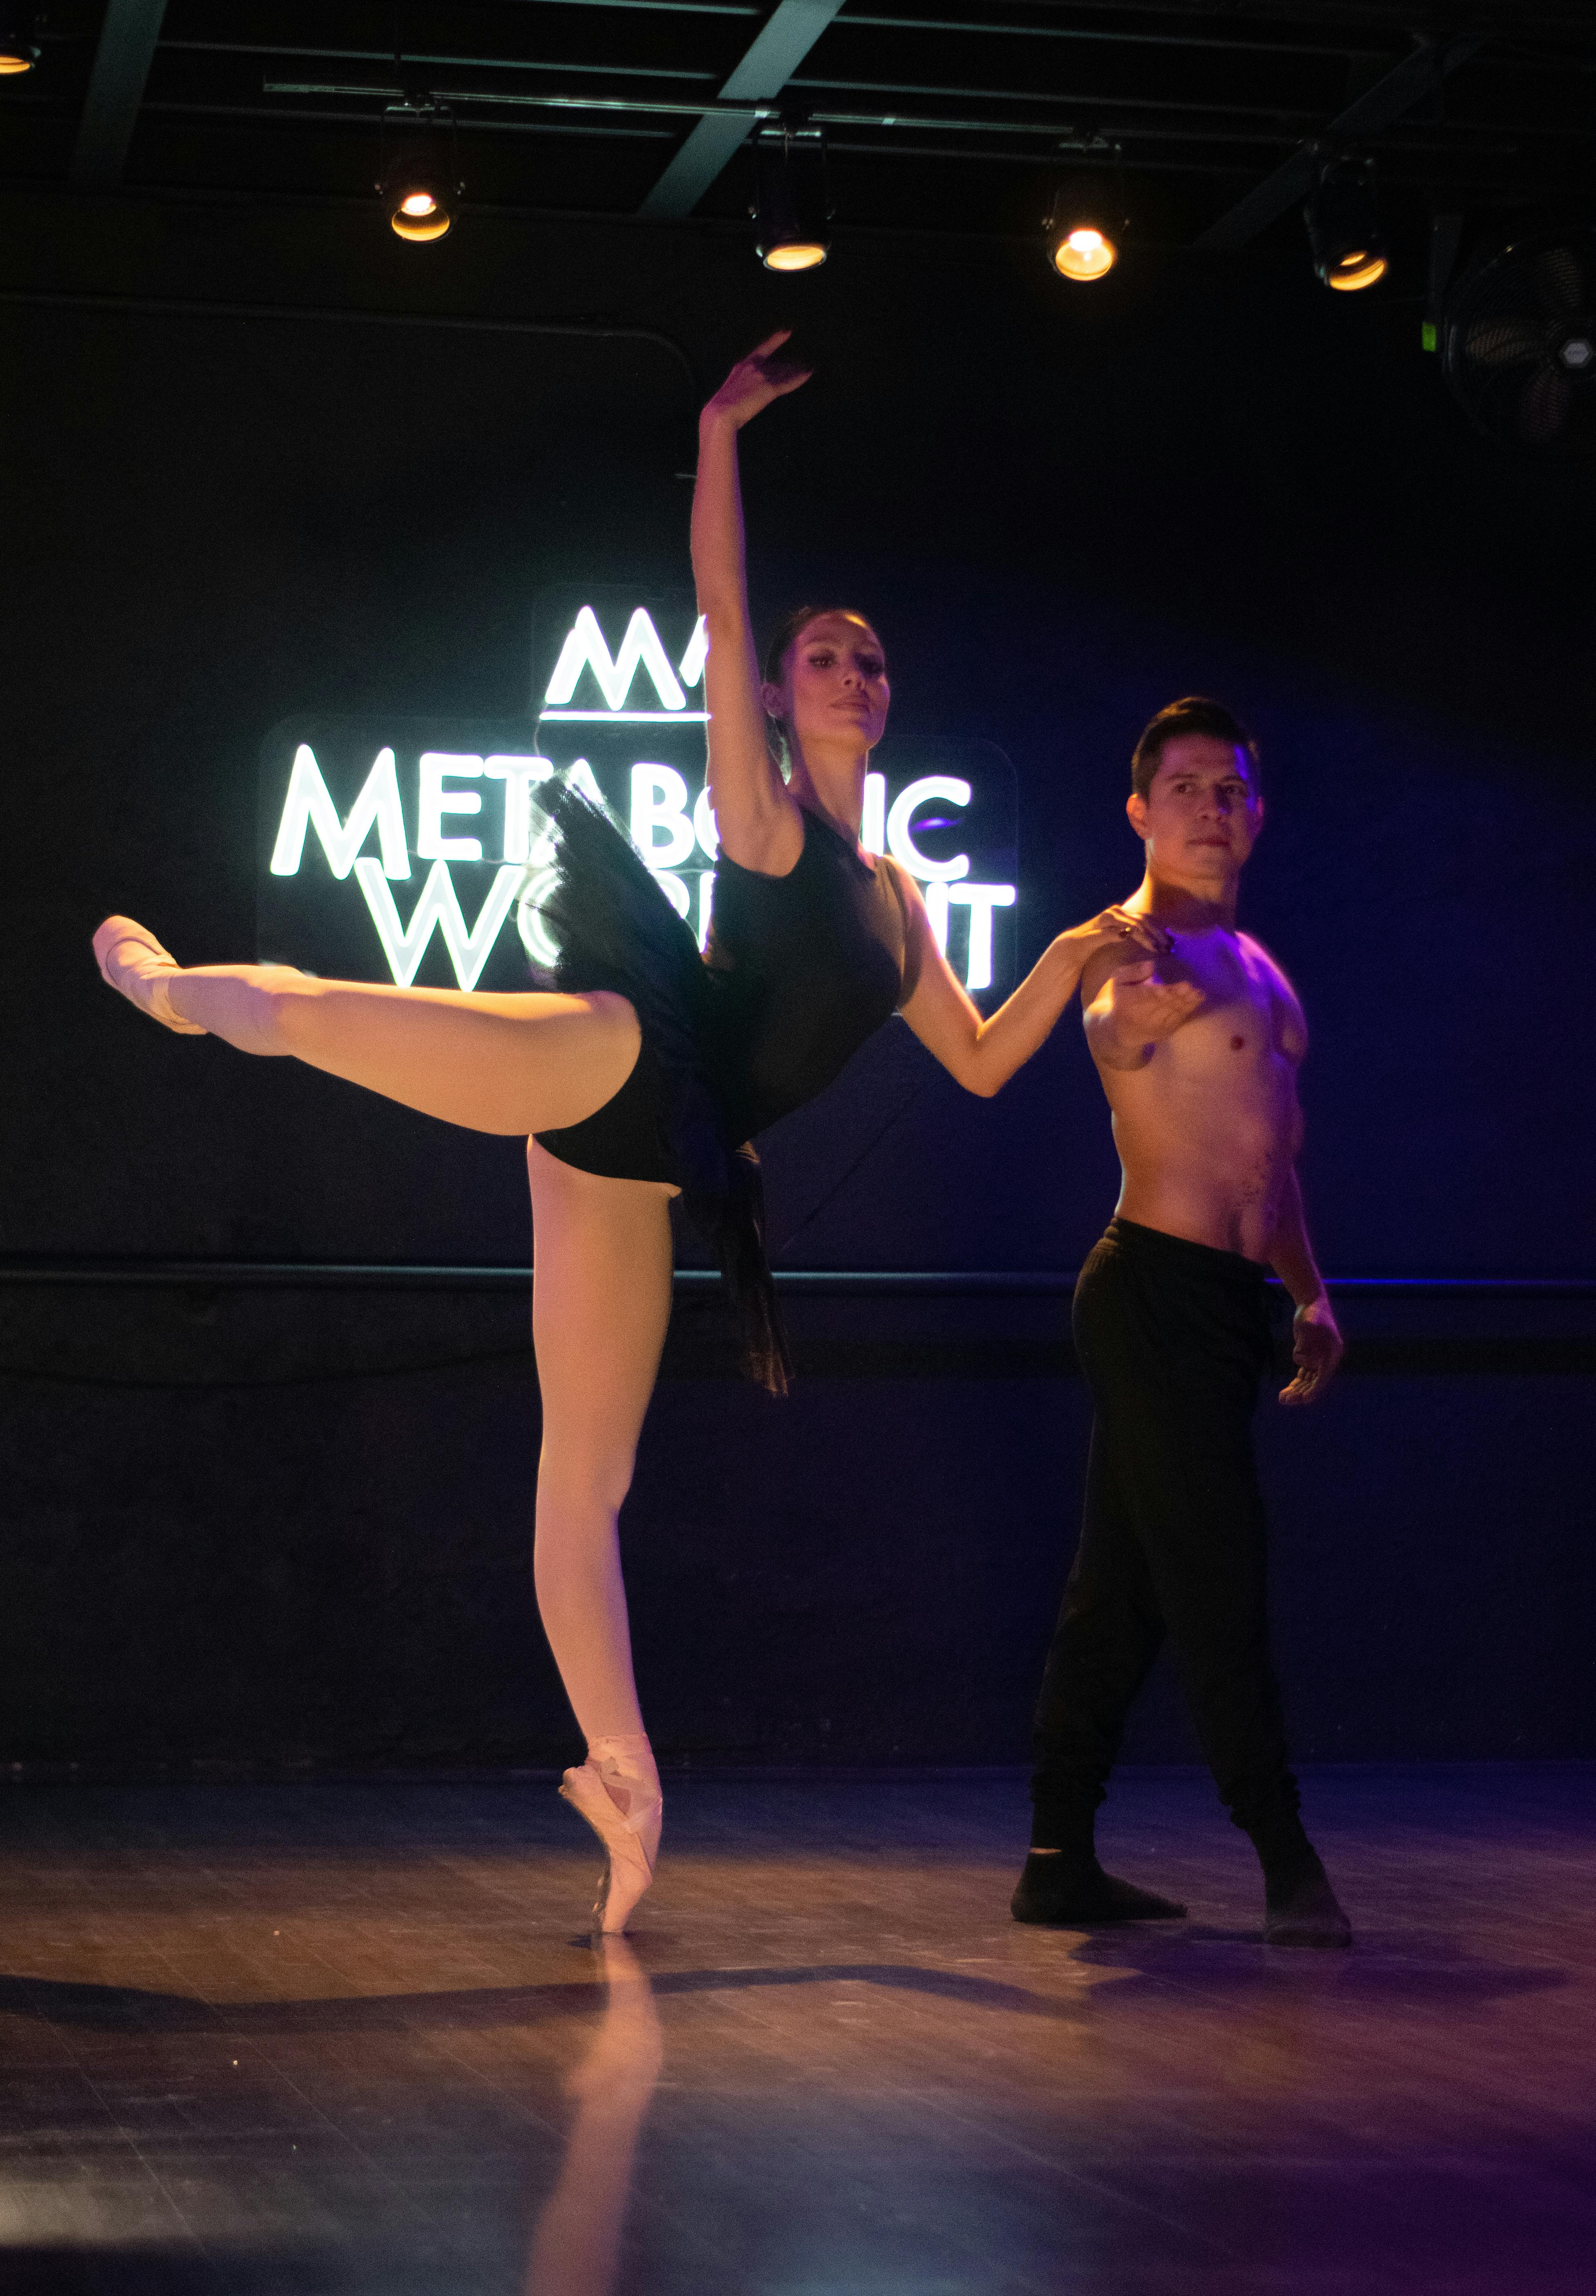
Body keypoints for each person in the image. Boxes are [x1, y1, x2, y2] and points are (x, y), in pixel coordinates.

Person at [92, 333, 1166, 1935]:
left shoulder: (904, 901)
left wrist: (1080, 949)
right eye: (826, 659)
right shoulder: (764, 816)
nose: (850, 676)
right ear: (780, 696)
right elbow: (723, 609)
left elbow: (992, 1065)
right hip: (615, 1053)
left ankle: (621, 1775)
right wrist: (721, 431)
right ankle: (177, 993)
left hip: (659, 1163)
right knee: (339, 1013)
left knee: (585, 1478)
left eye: (869, 662)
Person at [1014, 696, 1351, 1950]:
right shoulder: (1130, 951)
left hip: (1228, 1302)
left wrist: (1308, 1290)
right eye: (1189, 788)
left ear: (1255, 814)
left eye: (1232, 790)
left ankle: (1057, 1857)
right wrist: (1122, 1028)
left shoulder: (1263, 973)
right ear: (1140, 813)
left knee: (1127, 1590)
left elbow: (1274, 1161)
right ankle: (1286, 1855)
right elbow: (1113, 1026)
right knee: (1218, 1572)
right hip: (1149, 1290)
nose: (1213, 809)